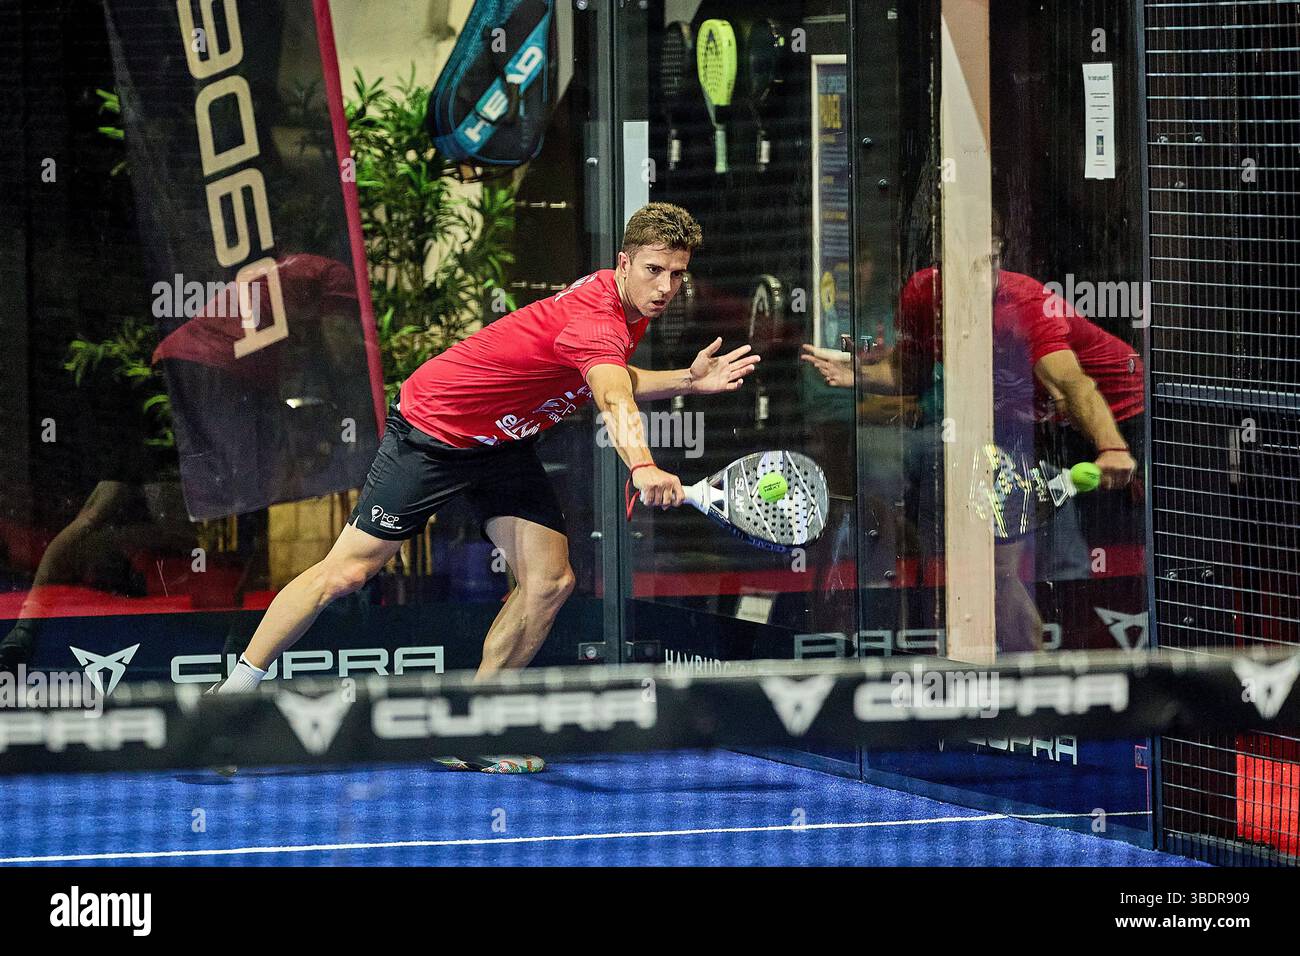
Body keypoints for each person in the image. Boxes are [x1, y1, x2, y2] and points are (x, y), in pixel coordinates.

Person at [213, 202, 759, 773]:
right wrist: (642, 465)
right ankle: (228, 702)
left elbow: (611, 375)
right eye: (654, 270)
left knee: (549, 582)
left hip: (502, 441)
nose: (666, 286)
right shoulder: (597, 318)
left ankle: (469, 724)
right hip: (434, 430)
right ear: (624, 263)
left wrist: (687, 382)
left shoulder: (626, 308)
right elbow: (612, 396)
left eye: (677, 274)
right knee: (346, 573)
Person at [802, 238, 1142, 651]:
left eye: (993, 261)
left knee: (1122, 558)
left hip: (1117, 417)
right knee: (998, 570)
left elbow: (1071, 386)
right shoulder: (921, 295)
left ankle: (1101, 683)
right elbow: (913, 373)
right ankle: (1030, 679)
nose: (986, 276)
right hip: (1022, 423)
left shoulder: (1025, 306)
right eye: (973, 263)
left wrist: (1111, 448)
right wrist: (860, 374)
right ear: (943, 263)